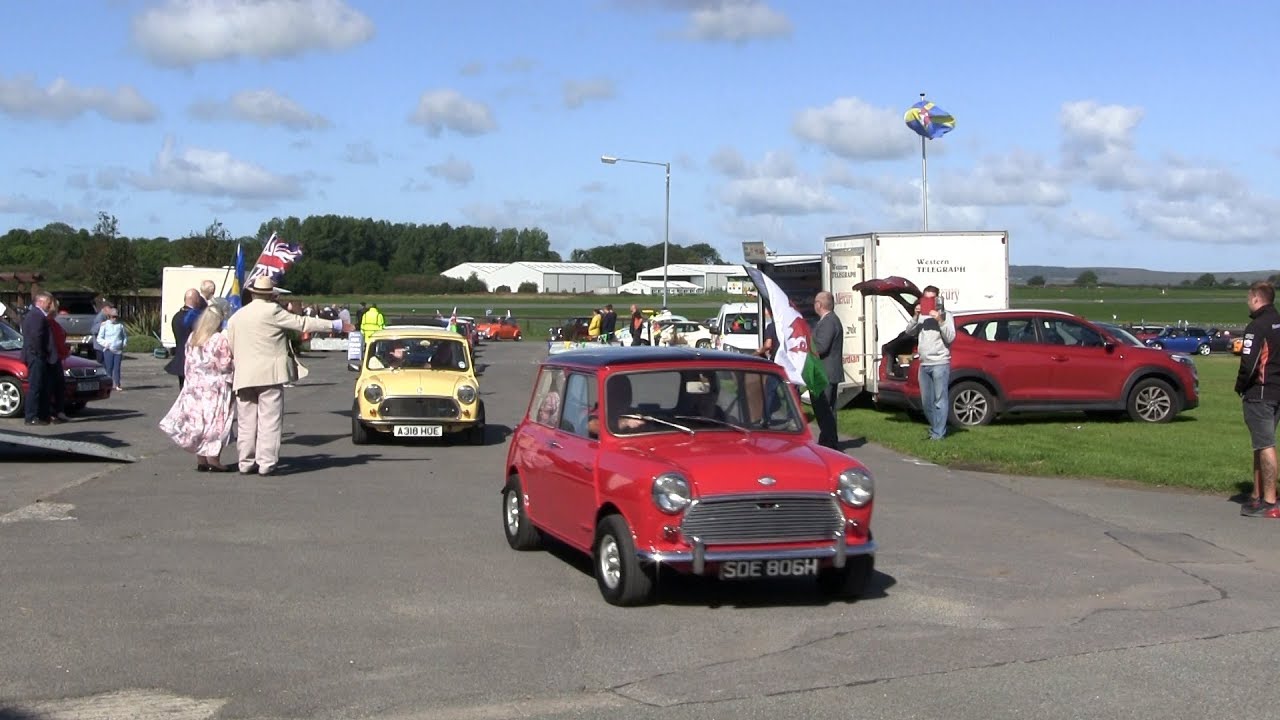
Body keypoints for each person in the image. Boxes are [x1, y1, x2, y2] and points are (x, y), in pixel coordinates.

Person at [225, 276, 353, 476]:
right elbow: (302, 323)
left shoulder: (237, 316)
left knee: (246, 421)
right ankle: (266, 463)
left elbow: (229, 346)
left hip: (244, 375)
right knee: (269, 420)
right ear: (270, 295)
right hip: (270, 374)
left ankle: (245, 462)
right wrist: (335, 326)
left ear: (252, 293)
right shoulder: (272, 311)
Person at [159, 299, 236, 472]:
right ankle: (214, 459)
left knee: (198, 421)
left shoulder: (193, 337)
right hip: (215, 386)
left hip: (194, 386)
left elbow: (188, 362)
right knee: (216, 423)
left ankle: (201, 459)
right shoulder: (218, 339)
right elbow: (225, 364)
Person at [1236, 281, 1280, 518]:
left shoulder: (1257, 326)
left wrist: (1240, 385)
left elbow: (1249, 363)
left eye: (1248, 298)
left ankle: (1270, 501)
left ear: (1256, 299)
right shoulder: (1277, 322)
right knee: (1260, 443)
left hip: (1260, 393)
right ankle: (1257, 493)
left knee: (1265, 445)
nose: (1247, 302)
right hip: (1276, 392)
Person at [905, 285, 957, 441]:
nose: (928, 302)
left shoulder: (947, 316)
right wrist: (915, 316)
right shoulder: (921, 317)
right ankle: (937, 428)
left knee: (940, 400)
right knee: (926, 402)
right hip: (924, 362)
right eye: (925, 298)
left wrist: (940, 321)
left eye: (931, 299)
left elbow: (950, 338)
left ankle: (938, 434)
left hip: (940, 362)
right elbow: (908, 332)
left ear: (938, 299)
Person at [20, 291, 58, 425]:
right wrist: (40, 353)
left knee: (42, 386)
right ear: (40, 302)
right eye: (48, 302)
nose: (50, 305)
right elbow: (36, 337)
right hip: (35, 356)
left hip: (37, 355)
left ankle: (42, 415)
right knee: (35, 386)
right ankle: (31, 416)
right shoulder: (36, 315)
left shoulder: (38, 315)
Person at [810, 291, 842, 450]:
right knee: (826, 409)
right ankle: (828, 441)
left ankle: (828, 442)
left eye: (815, 302)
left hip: (825, 373)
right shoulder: (828, 320)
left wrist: (806, 347)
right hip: (827, 372)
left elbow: (821, 347)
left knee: (824, 409)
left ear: (819, 304)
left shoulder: (828, 322)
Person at [165, 289, 204, 389]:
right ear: (195, 299)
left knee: (182, 390)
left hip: (180, 359)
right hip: (193, 360)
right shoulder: (195, 318)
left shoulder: (176, 317)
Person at [46, 297, 71, 422]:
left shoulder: (55, 324)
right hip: (50, 358)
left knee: (59, 387)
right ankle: (50, 412)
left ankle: (59, 411)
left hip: (58, 358)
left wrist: (65, 351)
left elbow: (61, 340)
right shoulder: (46, 323)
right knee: (49, 387)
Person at [95, 306, 127, 391]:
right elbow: (99, 338)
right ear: (109, 316)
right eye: (113, 316)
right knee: (109, 368)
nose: (114, 318)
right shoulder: (105, 325)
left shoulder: (120, 326)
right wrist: (106, 344)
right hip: (108, 350)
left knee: (117, 368)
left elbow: (124, 337)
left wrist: (123, 344)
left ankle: (117, 384)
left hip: (118, 350)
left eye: (116, 316)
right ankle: (109, 385)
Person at [89, 299, 114, 364]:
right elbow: (93, 330)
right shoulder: (100, 317)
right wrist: (102, 324)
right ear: (105, 308)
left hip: (105, 346)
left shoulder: (106, 317)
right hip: (100, 347)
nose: (111, 310)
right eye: (110, 308)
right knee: (101, 364)